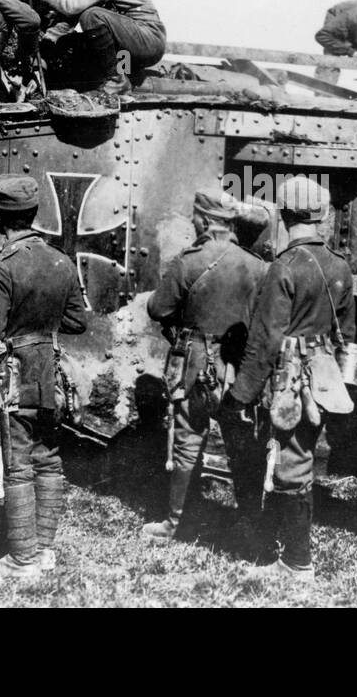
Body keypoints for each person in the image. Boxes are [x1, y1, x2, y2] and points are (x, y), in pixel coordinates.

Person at [228, 176, 356, 582]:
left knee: (290, 463)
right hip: (324, 379)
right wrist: (342, 385)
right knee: (299, 456)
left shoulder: (283, 267)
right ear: (321, 214)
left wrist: (241, 394)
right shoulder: (340, 265)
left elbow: (265, 339)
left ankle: (297, 562)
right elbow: (349, 337)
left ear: (283, 214)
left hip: (289, 381)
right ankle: (289, 549)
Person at [142, 188, 268, 551]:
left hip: (193, 363)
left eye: (195, 217)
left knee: (186, 440)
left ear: (204, 219)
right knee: (245, 445)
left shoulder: (188, 261)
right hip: (238, 366)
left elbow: (157, 309)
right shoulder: (257, 266)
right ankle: (249, 523)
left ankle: (177, 522)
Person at [0, 175, 87, 577]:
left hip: (15, 368)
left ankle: (23, 557)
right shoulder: (61, 260)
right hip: (51, 366)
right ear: (33, 214)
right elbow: (77, 321)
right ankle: (44, 548)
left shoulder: (3, 264)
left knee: (18, 462)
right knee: (48, 456)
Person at [18, 0, 166, 94]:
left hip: (150, 41)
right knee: (69, 41)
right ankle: (124, 79)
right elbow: (63, 25)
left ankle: (116, 80)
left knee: (91, 16)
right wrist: (41, 64)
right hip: (129, 49)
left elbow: (71, 7)